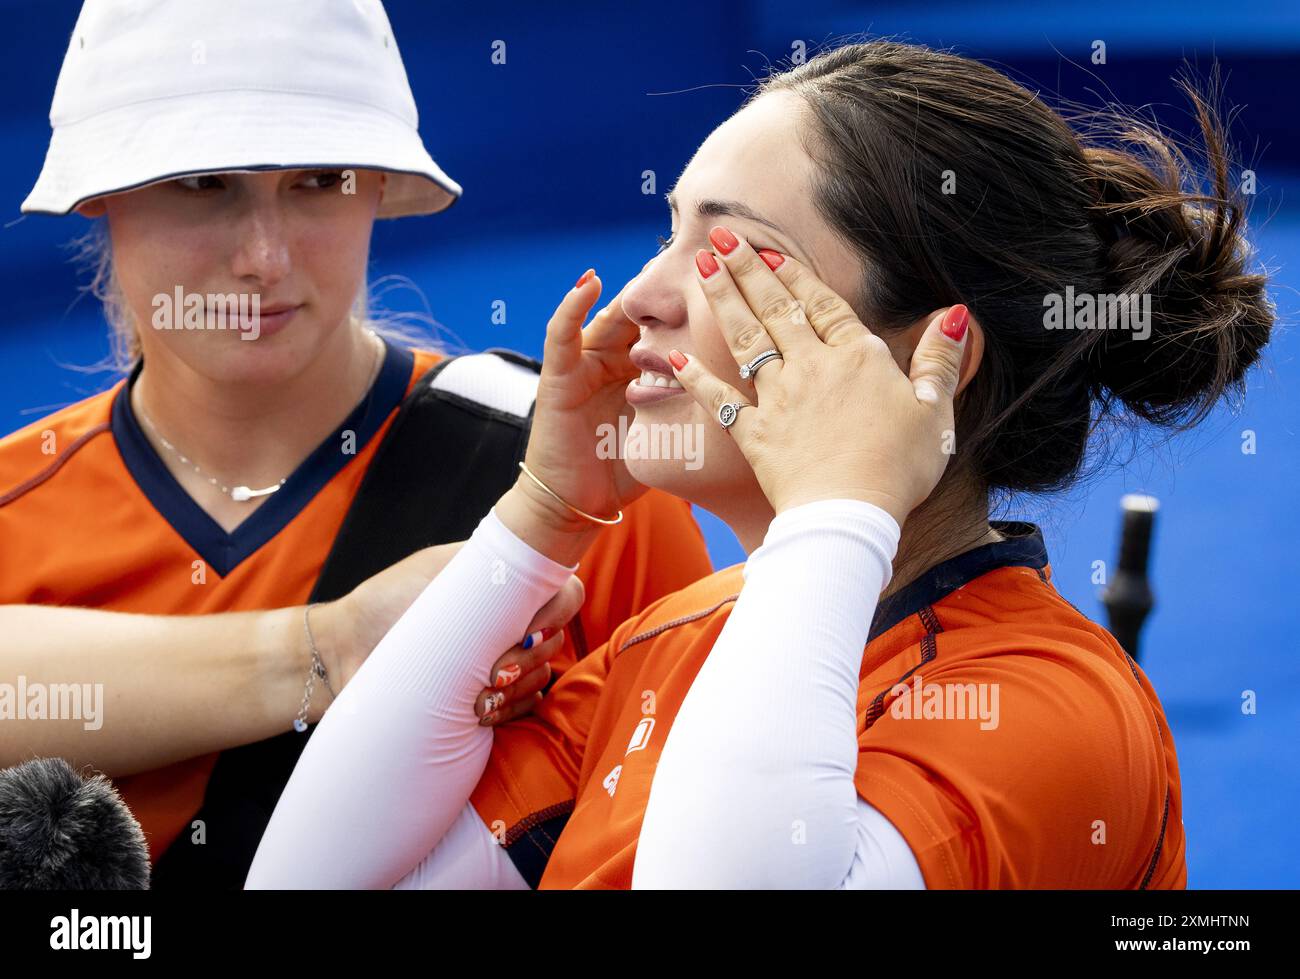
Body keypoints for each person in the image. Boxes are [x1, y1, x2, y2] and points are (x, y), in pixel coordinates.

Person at [247, 40, 1273, 889]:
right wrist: (539, 513)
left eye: (728, 257)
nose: (640, 296)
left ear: (930, 361)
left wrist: (837, 501)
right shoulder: (671, 643)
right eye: (666, 233)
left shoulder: (1050, 709)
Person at [0, 0, 713, 887]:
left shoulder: (586, 479)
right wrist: (328, 649)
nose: (263, 256)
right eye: (201, 183)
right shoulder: (12, 507)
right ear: (98, 198)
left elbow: (698, 828)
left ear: (379, 186)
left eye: (318, 180)